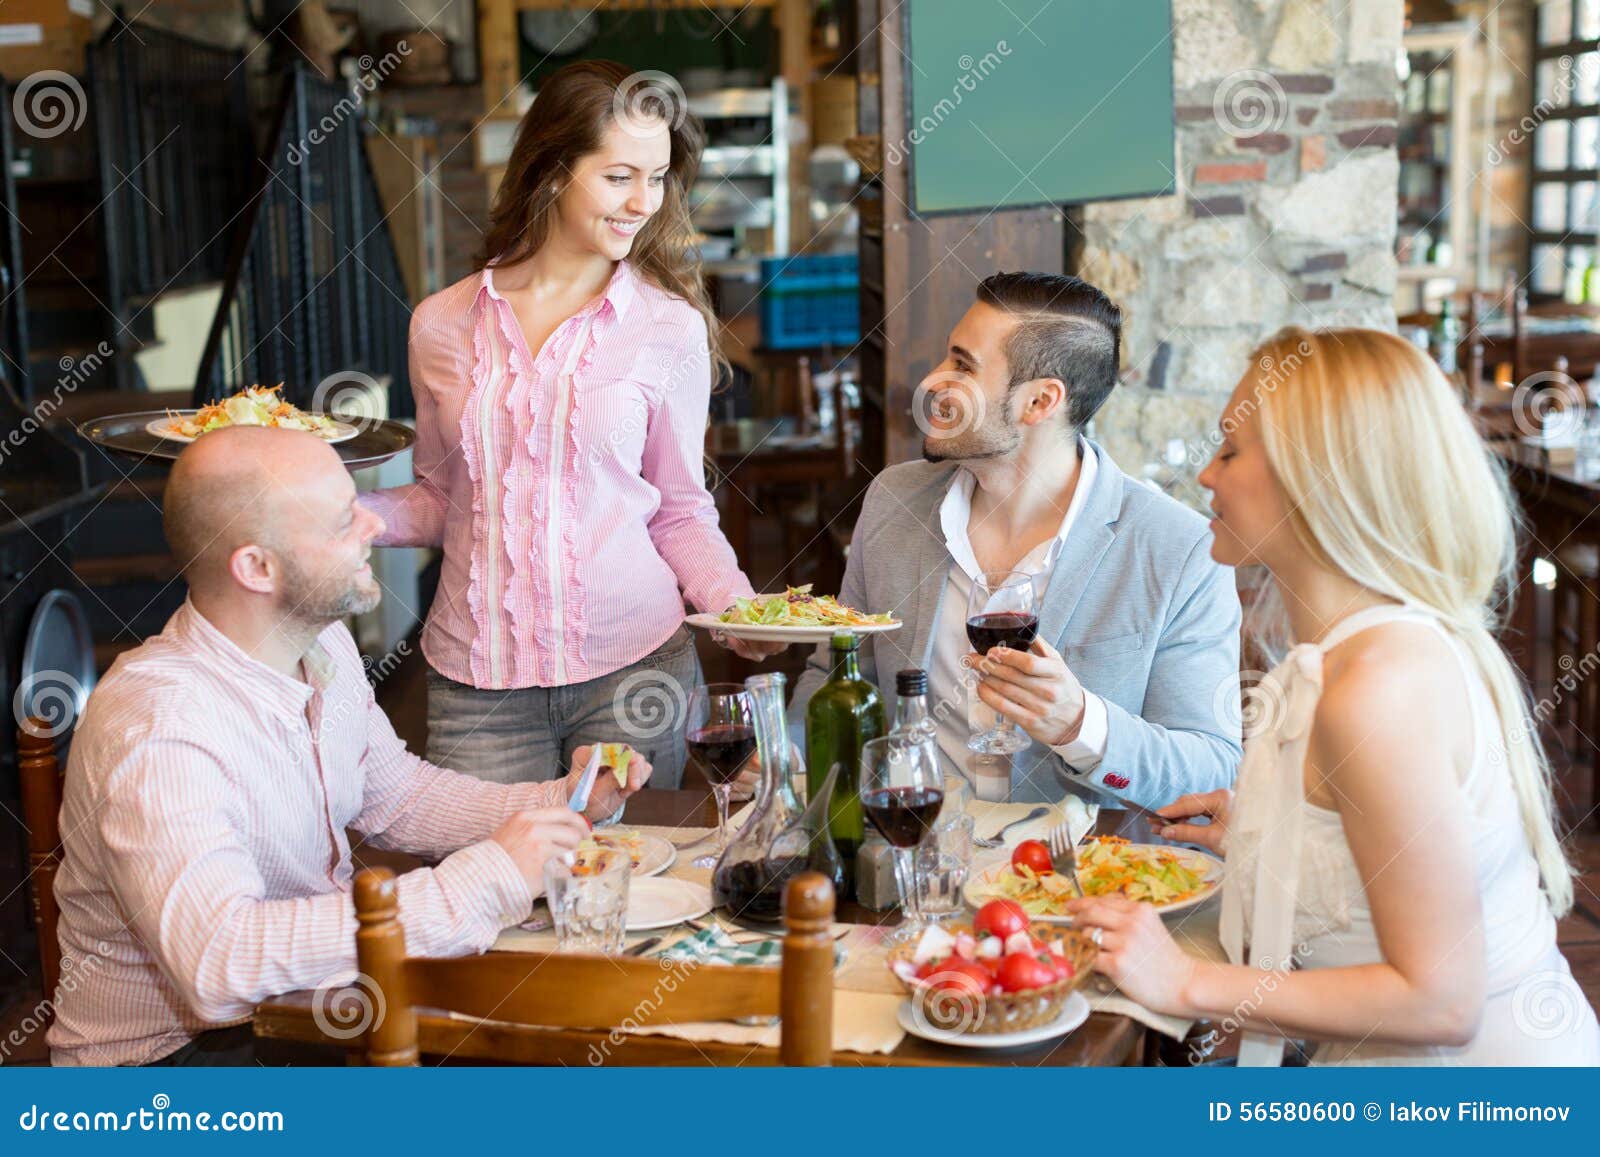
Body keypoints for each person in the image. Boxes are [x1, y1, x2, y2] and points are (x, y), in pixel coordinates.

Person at [1069, 326, 1600, 1065]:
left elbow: (1442, 1001)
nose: (1206, 476)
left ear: (1315, 477)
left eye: (1231, 452)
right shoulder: (1367, 645)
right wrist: (1273, 835)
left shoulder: (1375, 690)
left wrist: (1184, 979)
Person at [48, 428, 651, 1067]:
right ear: (256, 567)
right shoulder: (160, 726)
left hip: (304, 1012)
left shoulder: (319, 641)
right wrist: (490, 877)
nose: (374, 525)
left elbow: (397, 796)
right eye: (343, 521)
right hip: (177, 1062)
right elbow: (220, 965)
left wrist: (563, 801)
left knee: (574, 1022)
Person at [362, 60, 777, 791]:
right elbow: (442, 498)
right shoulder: (440, 324)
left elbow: (680, 509)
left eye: (657, 178)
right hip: (479, 684)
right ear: (553, 171)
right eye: (619, 177)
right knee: (490, 863)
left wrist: (735, 606)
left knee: (630, 861)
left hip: (634, 673)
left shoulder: (669, 328)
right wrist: (333, 514)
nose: (643, 202)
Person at [788, 272, 1242, 809]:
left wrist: (1080, 723)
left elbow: (1210, 770)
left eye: (963, 366)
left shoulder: (1182, 550)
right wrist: (785, 756)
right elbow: (837, 672)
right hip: (912, 839)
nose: (932, 382)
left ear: (1040, 401)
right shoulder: (894, 500)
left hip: (1082, 858)